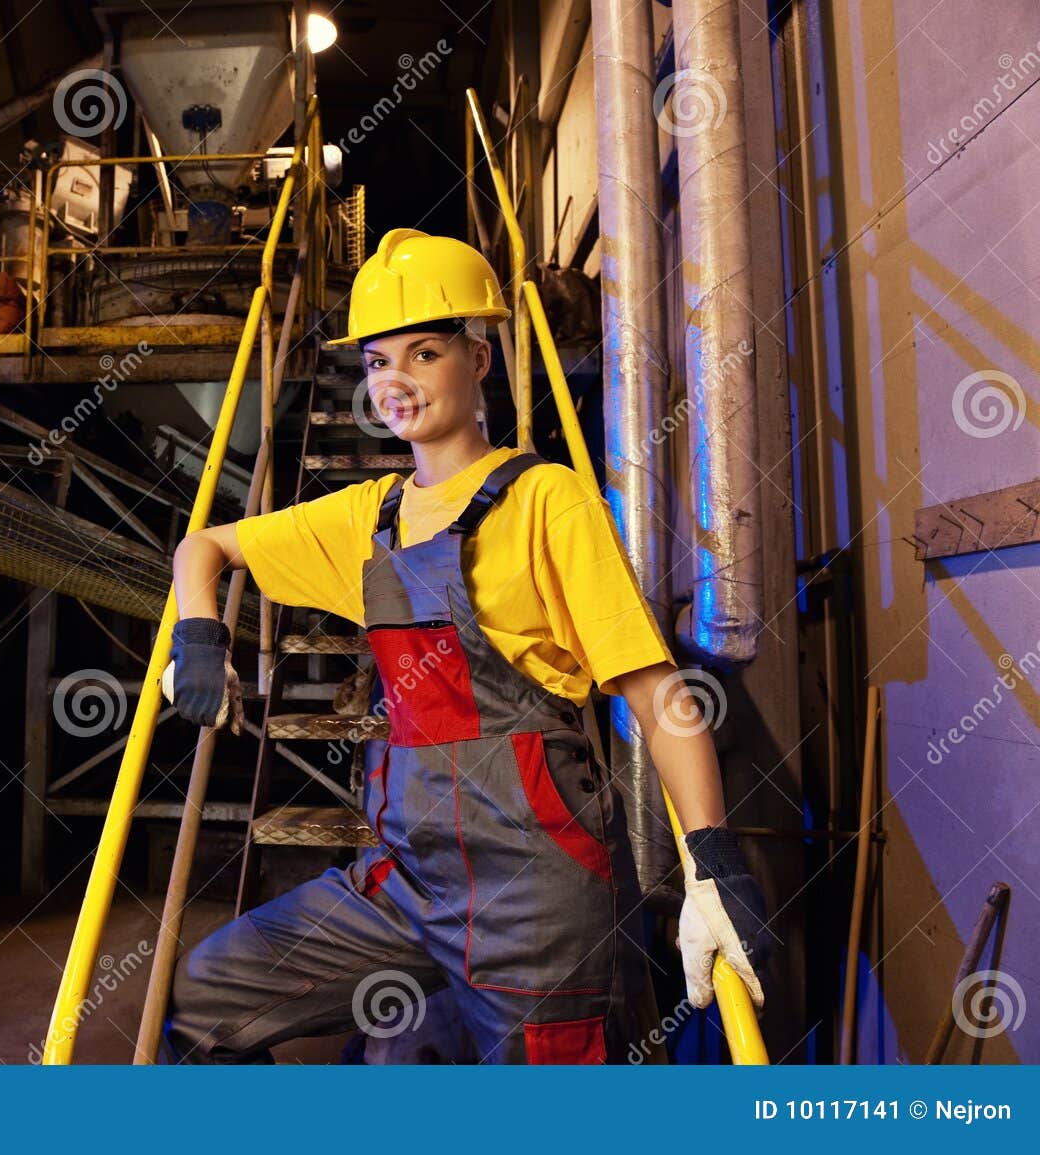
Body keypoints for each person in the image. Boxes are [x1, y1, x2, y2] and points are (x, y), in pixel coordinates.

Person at [158, 228, 772, 1064]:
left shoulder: (546, 500)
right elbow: (206, 546)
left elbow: (658, 695)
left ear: (478, 360)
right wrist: (200, 631)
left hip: (538, 899)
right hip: (407, 882)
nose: (395, 381)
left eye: (422, 352)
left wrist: (709, 859)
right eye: (377, 361)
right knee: (201, 998)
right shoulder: (367, 517)